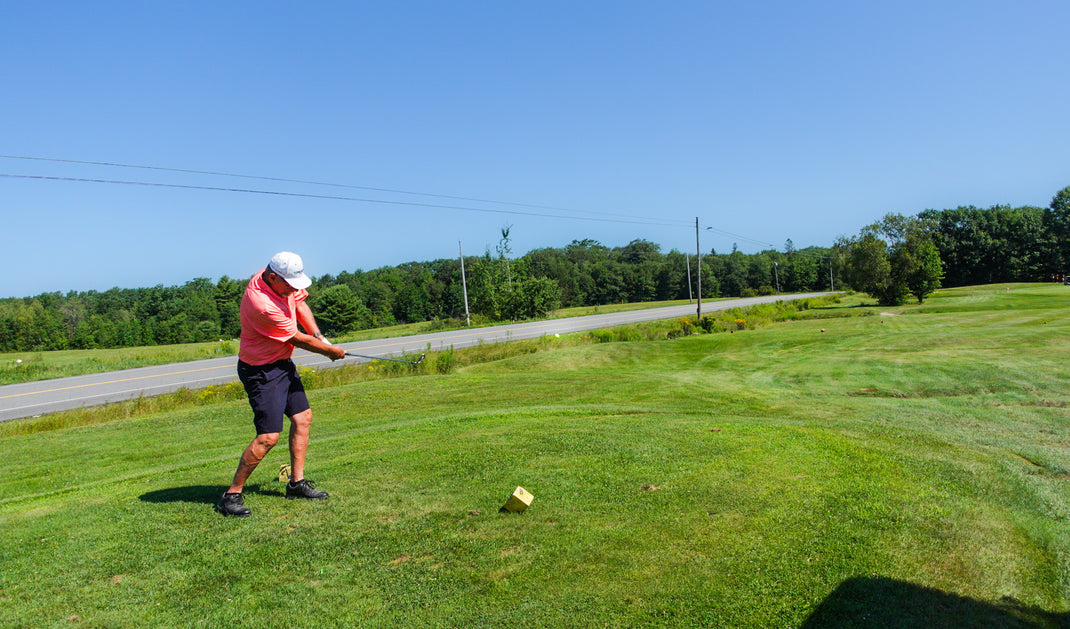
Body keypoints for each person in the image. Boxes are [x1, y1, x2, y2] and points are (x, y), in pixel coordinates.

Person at [216, 251, 346, 517]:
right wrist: (329, 351)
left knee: (303, 418)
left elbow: (299, 304)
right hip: (260, 372)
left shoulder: (280, 283)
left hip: (282, 364)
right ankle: (231, 495)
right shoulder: (260, 303)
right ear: (272, 277)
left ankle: (296, 484)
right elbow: (296, 339)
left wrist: (321, 336)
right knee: (267, 437)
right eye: (289, 284)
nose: (293, 289)